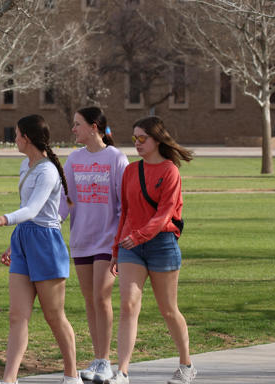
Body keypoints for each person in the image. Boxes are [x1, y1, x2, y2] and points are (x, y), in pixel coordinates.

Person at [0, 114, 82, 384]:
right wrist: (13, 242)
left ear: (27, 138)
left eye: (17, 135)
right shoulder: (25, 165)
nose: (15, 139)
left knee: (54, 316)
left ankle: (72, 375)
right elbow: (26, 211)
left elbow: (33, 210)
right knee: (17, 316)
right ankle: (9, 379)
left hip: (46, 243)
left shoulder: (48, 171)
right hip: (23, 241)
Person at [108, 116, 196, 384]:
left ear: (157, 139)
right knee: (128, 305)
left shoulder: (170, 171)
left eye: (142, 138)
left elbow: (165, 213)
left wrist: (139, 236)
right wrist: (116, 250)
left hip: (161, 245)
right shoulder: (131, 171)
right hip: (130, 247)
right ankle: (122, 371)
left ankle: (186, 365)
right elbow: (126, 212)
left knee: (168, 309)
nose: (137, 143)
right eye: (134, 138)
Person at [59, 107, 129, 383]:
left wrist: (120, 242)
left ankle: (105, 360)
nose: (73, 129)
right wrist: (52, 224)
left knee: (102, 297)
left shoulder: (116, 158)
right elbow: (67, 201)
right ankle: (97, 359)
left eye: (77, 124)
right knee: (90, 301)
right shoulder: (74, 159)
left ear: (94, 126)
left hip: (108, 241)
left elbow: (125, 204)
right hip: (81, 240)